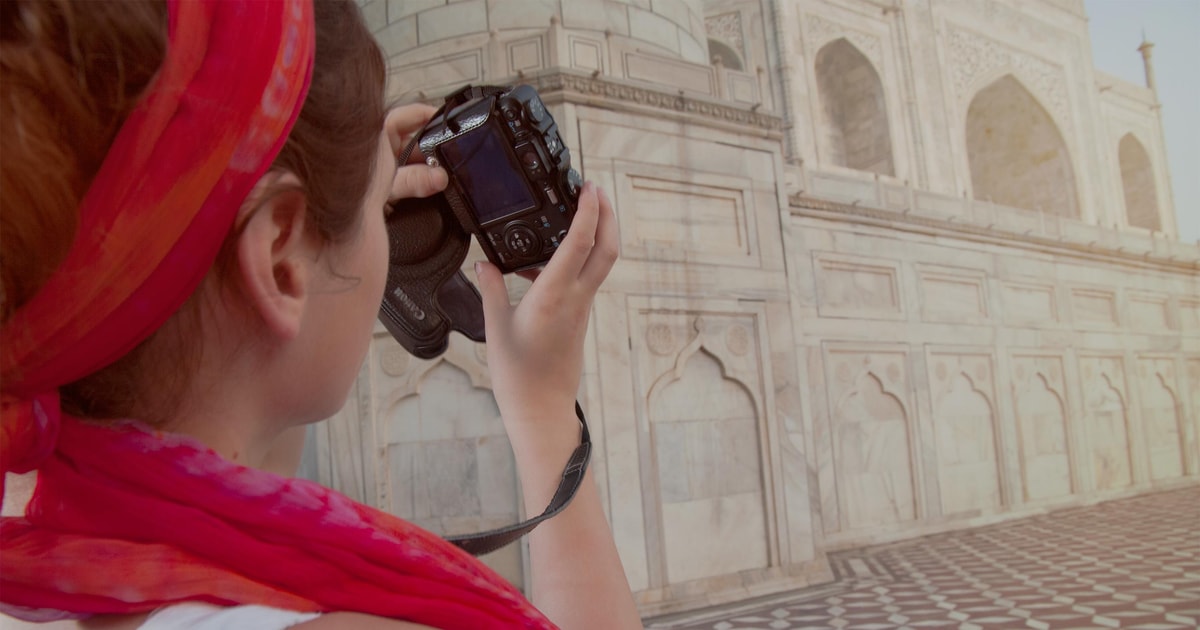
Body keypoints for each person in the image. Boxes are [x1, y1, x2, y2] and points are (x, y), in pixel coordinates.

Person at [0, 0, 641, 628]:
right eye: (378, 209)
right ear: (281, 259)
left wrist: (344, 183)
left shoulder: (88, 571)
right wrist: (543, 412)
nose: (387, 244)